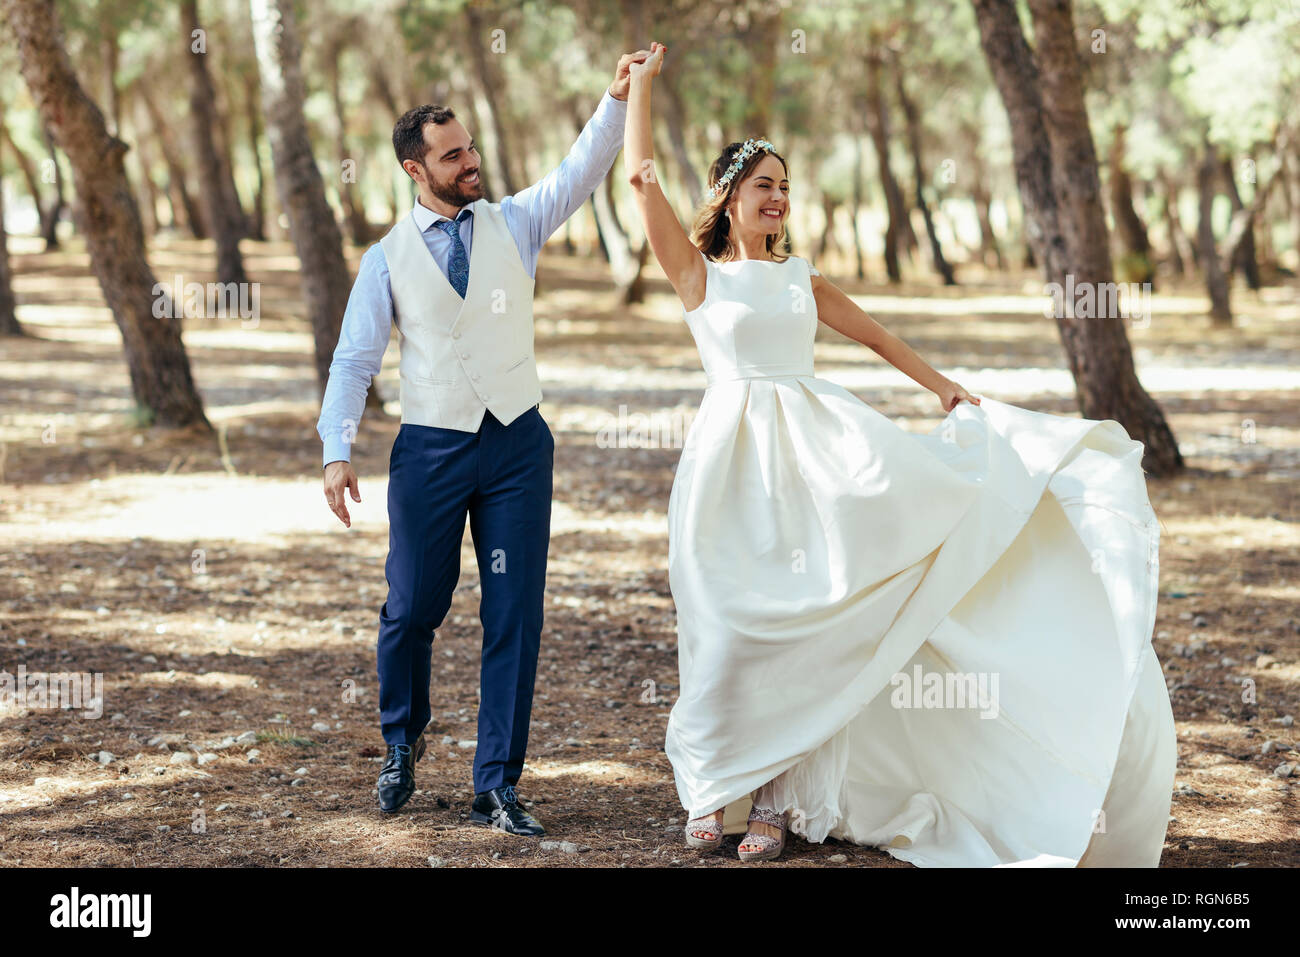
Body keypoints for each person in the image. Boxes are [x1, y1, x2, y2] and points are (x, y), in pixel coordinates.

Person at [625, 42, 1176, 864]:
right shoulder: (698, 276)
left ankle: (777, 800)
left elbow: (878, 336)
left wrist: (944, 387)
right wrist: (637, 88)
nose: (778, 197)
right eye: (763, 185)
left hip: (814, 450)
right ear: (730, 198)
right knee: (729, 622)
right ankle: (715, 786)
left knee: (812, 617)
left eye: (785, 185)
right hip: (726, 461)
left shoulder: (799, 277)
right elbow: (640, 178)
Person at [316, 51, 651, 833]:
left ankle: (496, 782)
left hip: (516, 448)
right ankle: (402, 738)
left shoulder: (514, 222)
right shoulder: (385, 258)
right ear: (414, 169)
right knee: (410, 609)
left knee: (514, 614)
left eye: (471, 149)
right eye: (453, 155)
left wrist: (615, 97)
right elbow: (355, 358)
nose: (472, 162)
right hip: (431, 450)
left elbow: (581, 169)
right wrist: (337, 447)